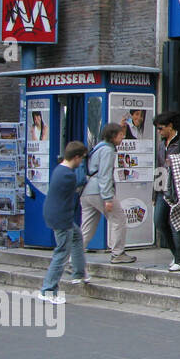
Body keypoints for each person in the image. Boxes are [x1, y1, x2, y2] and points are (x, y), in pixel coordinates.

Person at [38, 141, 89, 304]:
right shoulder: (68, 175)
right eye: (81, 159)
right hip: (62, 218)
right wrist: (85, 168)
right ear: (76, 157)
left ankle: (79, 273)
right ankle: (48, 289)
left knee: (77, 237)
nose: (81, 162)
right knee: (61, 254)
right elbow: (81, 180)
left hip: (55, 214)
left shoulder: (59, 169)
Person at [81, 123, 133, 264]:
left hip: (87, 191)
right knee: (119, 219)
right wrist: (108, 198)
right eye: (121, 135)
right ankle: (118, 253)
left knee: (87, 228)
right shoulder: (108, 150)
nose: (123, 137)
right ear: (113, 136)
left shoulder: (97, 147)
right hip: (99, 191)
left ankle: (73, 260)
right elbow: (105, 175)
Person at [153, 111, 180, 271]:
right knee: (159, 221)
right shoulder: (161, 145)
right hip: (163, 189)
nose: (159, 131)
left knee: (177, 223)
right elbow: (159, 168)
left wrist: (174, 163)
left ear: (170, 126)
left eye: (161, 128)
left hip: (178, 190)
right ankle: (178, 252)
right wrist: (155, 192)